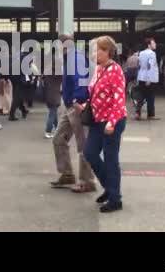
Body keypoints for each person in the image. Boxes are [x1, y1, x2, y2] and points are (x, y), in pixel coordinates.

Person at [79, 36, 127, 213]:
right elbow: (94, 94)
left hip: (111, 122)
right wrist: (84, 105)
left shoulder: (116, 71)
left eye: (98, 50)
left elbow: (119, 100)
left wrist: (112, 122)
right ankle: (110, 187)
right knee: (90, 153)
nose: (94, 53)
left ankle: (115, 199)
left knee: (111, 159)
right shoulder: (99, 69)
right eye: (93, 50)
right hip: (97, 120)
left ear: (108, 51)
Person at [51, 34, 96, 193]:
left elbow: (80, 78)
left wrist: (78, 99)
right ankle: (67, 174)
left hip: (76, 105)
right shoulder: (69, 57)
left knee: (83, 145)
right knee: (58, 139)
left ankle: (87, 181)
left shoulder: (74, 57)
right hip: (69, 104)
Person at [135, 37, 160, 120]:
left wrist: (138, 77)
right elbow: (150, 66)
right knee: (150, 96)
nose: (155, 44)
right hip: (149, 78)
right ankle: (151, 114)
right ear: (149, 45)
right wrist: (149, 79)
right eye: (153, 43)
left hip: (141, 77)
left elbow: (138, 65)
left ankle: (138, 112)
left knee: (141, 96)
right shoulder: (152, 53)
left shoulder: (141, 53)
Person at [42, 51, 62, 139]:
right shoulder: (59, 73)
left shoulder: (46, 71)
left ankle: (58, 128)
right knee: (52, 113)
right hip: (55, 94)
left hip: (48, 94)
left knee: (53, 113)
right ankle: (48, 131)